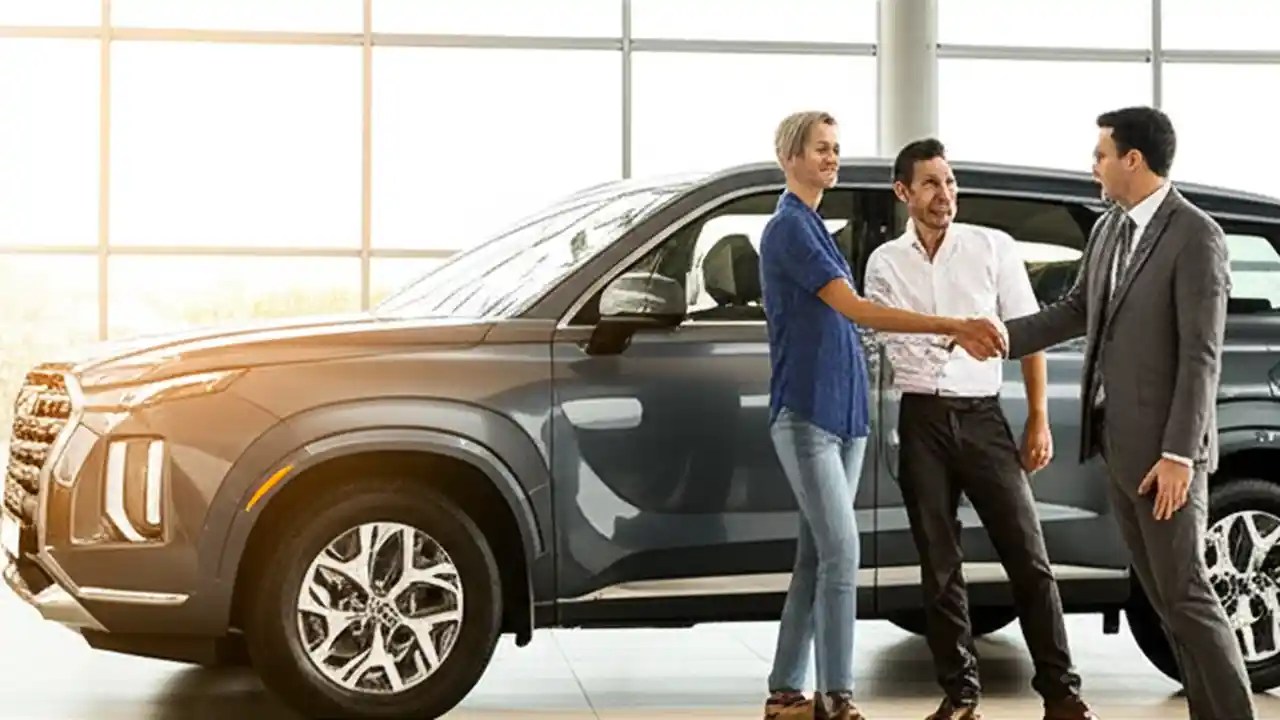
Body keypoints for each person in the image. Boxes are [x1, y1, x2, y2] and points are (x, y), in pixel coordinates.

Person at [999, 106, 1256, 720]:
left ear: (1132, 160)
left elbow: (1201, 357)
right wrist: (999, 337)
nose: (1095, 166)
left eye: (1101, 155)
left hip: (1165, 459)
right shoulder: (1110, 229)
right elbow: (1075, 309)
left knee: (1188, 596)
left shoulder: (1196, 235)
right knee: (1167, 604)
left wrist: (1178, 456)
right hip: (1117, 446)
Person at [759, 111, 1006, 720]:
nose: (831, 157)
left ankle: (786, 691)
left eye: (836, 148)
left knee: (817, 556)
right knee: (843, 555)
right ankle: (836, 697)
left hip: (845, 420)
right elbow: (857, 310)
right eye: (820, 148)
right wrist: (952, 324)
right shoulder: (788, 227)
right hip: (806, 415)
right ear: (789, 155)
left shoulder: (816, 227)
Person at [863, 138, 1097, 720]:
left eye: (949, 182)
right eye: (931, 184)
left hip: (984, 417)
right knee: (939, 565)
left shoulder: (993, 247)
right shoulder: (884, 263)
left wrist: (1038, 419)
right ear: (904, 193)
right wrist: (956, 331)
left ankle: (1062, 694)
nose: (945, 195)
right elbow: (891, 337)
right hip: (921, 420)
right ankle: (961, 695)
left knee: (1027, 555)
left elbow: (1026, 334)